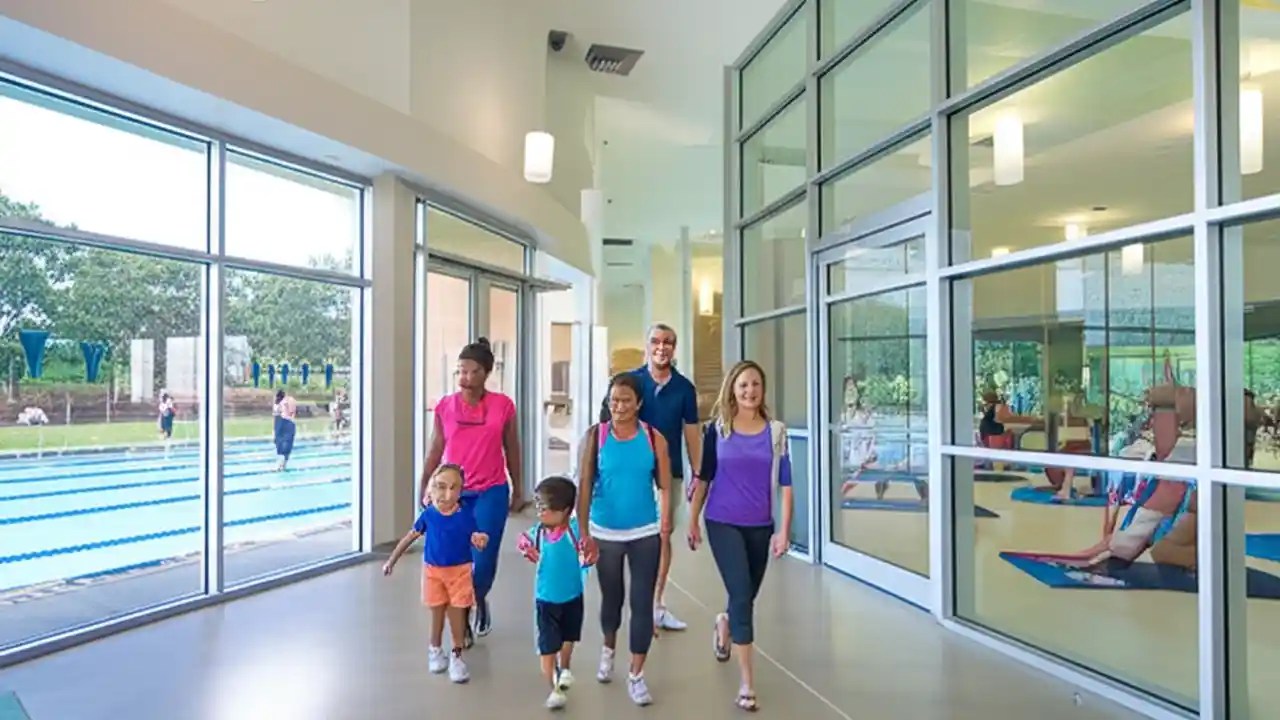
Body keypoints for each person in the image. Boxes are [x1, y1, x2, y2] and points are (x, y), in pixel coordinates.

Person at [687, 360, 793, 712]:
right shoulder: (718, 430)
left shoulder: (777, 432)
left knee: (744, 597)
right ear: (732, 388)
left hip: (760, 526)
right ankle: (747, 683)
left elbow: (787, 485)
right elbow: (704, 477)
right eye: (743, 385)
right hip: (722, 521)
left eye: (755, 385)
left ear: (762, 390)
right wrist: (692, 520)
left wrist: (783, 531)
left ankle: (725, 624)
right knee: (743, 596)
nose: (749, 391)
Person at [419, 337, 526, 645]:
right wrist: (424, 484)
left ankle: (479, 598)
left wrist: (518, 489)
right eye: (461, 371)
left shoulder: (503, 406)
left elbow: (512, 449)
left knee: (484, 559)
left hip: (491, 491)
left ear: (486, 373)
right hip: (454, 494)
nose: (465, 378)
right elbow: (435, 449)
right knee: (453, 560)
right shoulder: (445, 407)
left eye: (472, 371)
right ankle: (462, 620)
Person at [577, 372, 672, 706]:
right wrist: (584, 532)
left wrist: (666, 522)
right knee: (612, 597)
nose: (618, 407)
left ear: (639, 404)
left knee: (642, 601)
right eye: (613, 400)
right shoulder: (596, 436)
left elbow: (664, 484)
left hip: (644, 530)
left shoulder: (653, 437)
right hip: (605, 531)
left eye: (626, 401)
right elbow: (585, 485)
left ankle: (636, 673)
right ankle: (608, 648)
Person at [598, 323, 700, 632]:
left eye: (668, 342)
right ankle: (633, 604)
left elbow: (692, 435)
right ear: (647, 345)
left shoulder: (684, 388)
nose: (662, 347)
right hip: (630, 473)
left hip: (668, 475)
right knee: (627, 539)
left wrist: (699, 474)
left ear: (674, 347)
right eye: (656, 341)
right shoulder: (631, 382)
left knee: (662, 537)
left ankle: (655, 605)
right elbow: (604, 428)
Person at [383, 464, 489, 684]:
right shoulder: (429, 515)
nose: (447, 494)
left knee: (458, 614)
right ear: (430, 489)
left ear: (461, 491)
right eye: (441, 487)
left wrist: (480, 540)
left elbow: (476, 536)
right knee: (437, 613)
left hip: (460, 572)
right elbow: (410, 537)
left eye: (454, 488)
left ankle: (457, 655)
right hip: (434, 573)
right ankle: (435, 649)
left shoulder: (465, 515)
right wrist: (391, 560)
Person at [516, 476, 588, 710]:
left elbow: (589, 546)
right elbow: (522, 540)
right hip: (546, 600)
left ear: (564, 510)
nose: (539, 512)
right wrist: (525, 548)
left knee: (568, 639)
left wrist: (589, 555)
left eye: (544, 508)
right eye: (537, 506)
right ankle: (554, 687)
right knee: (547, 648)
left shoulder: (575, 531)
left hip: (573, 597)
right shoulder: (538, 533)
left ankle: (564, 669)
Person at [272, 389, 297, 471]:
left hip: (285, 422)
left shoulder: (284, 402)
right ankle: (282, 464)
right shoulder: (282, 403)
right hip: (285, 422)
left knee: (284, 444)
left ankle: (282, 464)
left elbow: (291, 412)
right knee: (284, 445)